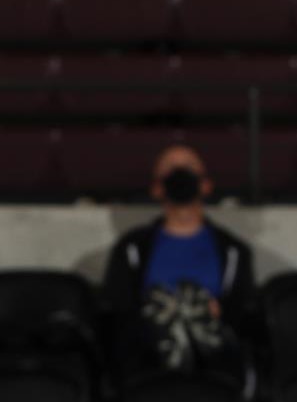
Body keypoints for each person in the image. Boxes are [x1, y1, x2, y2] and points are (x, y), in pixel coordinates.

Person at [101, 144, 258, 383]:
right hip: (148, 358)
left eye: (188, 168)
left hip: (215, 359)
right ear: (156, 187)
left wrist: (215, 311)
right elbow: (118, 308)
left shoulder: (234, 251)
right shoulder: (131, 248)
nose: (180, 174)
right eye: (171, 169)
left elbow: (244, 311)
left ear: (206, 184)